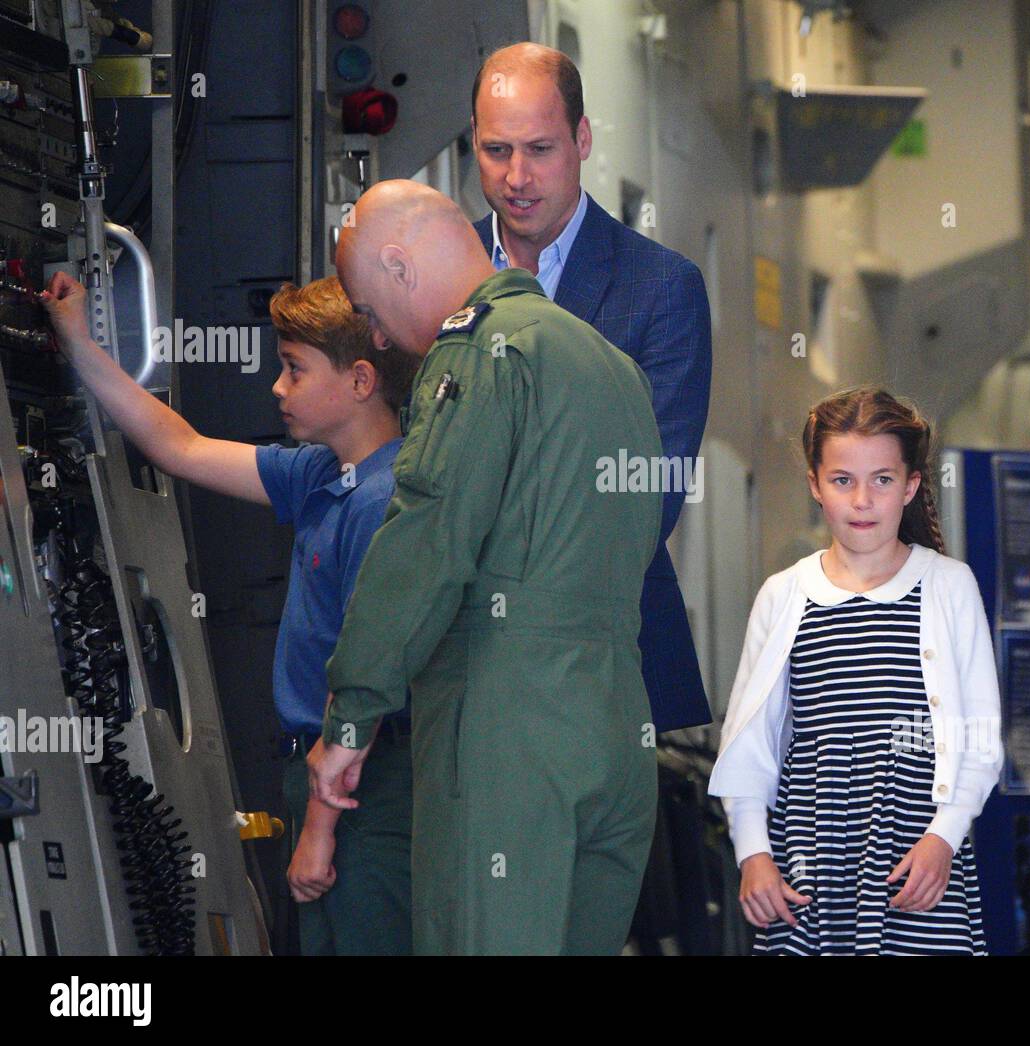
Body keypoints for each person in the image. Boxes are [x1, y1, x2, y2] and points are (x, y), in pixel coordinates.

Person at [307, 180, 665, 955]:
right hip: (618, 731)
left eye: (367, 311)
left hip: (511, 739)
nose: (375, 338)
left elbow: (426, 542)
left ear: (399, 265)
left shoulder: (478, 351)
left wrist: (351, 716)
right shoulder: (613, 367)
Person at [41, 271, 418, 956]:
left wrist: (320, 832)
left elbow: (365, 673)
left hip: (364, 792)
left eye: (295, 370)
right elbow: (179, 448)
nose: (277, 388)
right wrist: (80, 346)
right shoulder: (320, 477)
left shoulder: (381, 502)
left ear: (361, 381)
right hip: (320, 781)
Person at [708, 385, 1003, 955]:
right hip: (809, 858)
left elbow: (980, 737)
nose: (862, 499)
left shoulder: (948, 585)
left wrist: (944, 838)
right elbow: (749, 743)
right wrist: (753, 854)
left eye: (883, 480)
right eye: (843, 480)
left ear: (911, 486)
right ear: (816, 486)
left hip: (914, 861)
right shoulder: (784, 594)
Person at [470, 42, 712, 734]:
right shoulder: (442, 280)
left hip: (605, 671)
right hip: (459, 671)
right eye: (495, 150)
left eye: (540, 149)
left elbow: (647, 492)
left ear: (581, 139)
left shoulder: (661, 289)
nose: (517, 176)